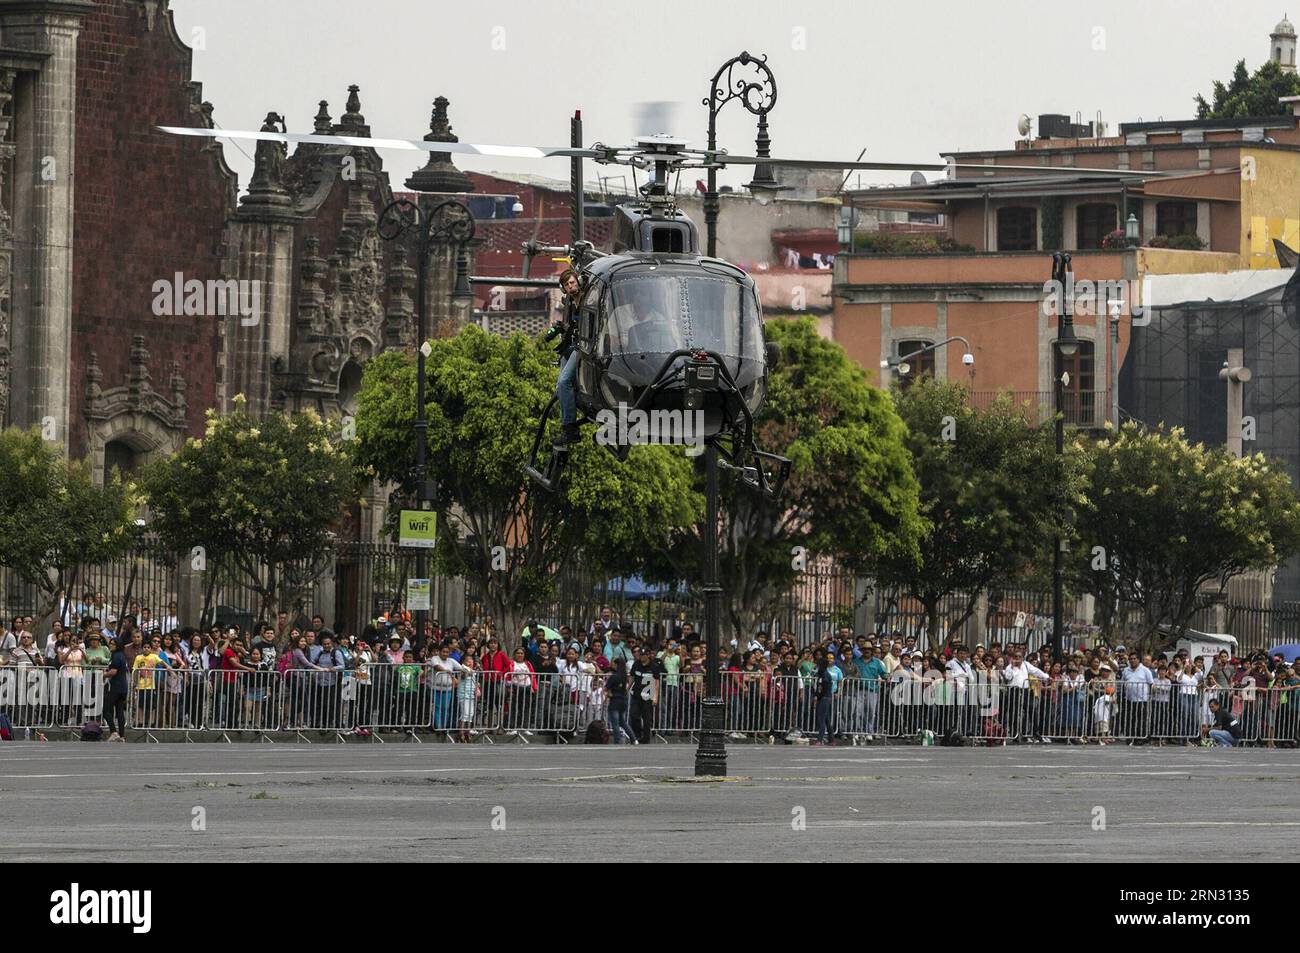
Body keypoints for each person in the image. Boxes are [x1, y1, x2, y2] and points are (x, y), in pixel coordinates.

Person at [548, 267, 583, 447]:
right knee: (561, 388)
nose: (570, 286)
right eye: (567, 284)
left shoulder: (588, 299)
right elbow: (569, 325)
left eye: (572, 282)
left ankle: (571, 429)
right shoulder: (569, 301)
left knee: (563, 382)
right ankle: (571, 421)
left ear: (578, 282)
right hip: (570, 345)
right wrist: (558, 328)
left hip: (584, 347)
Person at [103, 636, 130, 742]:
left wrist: (104, 675)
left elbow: (113, 672)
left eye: (113, 644)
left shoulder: (117, 656)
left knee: (105, 710)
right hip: (122, 687)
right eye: (110, 643)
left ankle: (114, 731)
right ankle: (122, 735)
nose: (111, 645)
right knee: (119, 711)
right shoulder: (121, 655)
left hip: (116, 686)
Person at [812, 655, 835, 746]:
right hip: (825, 697)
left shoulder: (825, 674)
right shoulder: (821, 674)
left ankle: (820, 739)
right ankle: (831, 739)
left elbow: (824, 688)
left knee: (821, 718)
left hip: (824, 698)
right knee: (826, 719)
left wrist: (818, 696)